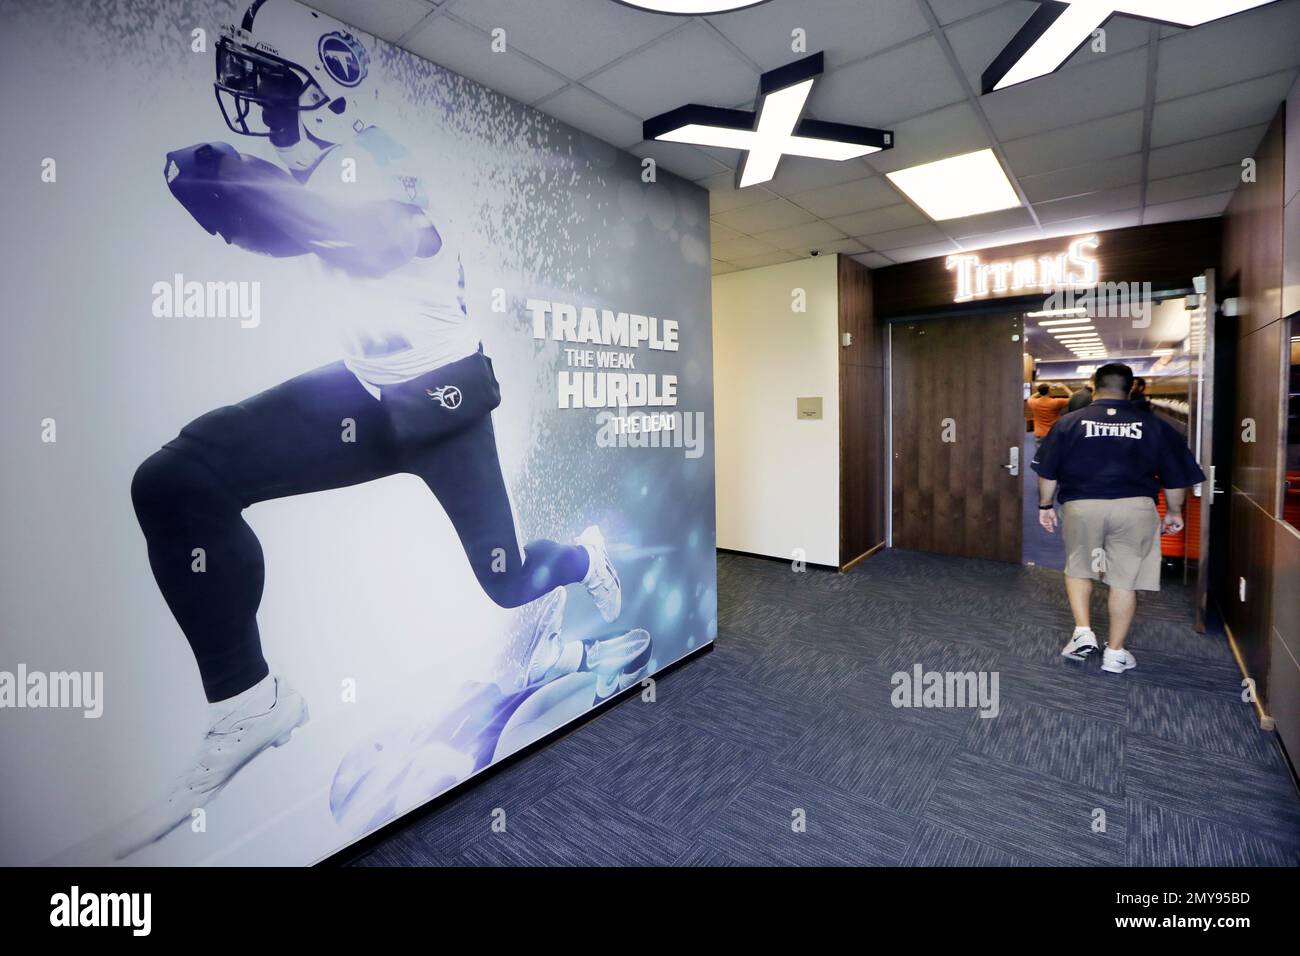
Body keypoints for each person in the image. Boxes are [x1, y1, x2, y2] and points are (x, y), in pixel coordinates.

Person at [120, 0, 622, 856]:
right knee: (175, 481)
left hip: (444, 408)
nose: (247, 94)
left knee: (505, 582)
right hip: (363, 394)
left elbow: (350, 230)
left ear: (320, 90)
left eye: (268, 84)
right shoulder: (329, 151)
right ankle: (250, 702)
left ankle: (583, 559)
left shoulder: (374, 167)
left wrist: (229, 182)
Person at [1032, 363, 1205, 674]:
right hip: (1135, 507)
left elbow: (1047, 472)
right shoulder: (1155, 425)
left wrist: (1045, 506)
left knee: (1079, 566)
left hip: (1082, 505)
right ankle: (1115, 653)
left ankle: (1083, 632)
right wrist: (1174, 511)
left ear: (1093, 385)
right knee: (1124, 580)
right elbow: (1176, 477)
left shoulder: (1069, 422)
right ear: (1131, 388)